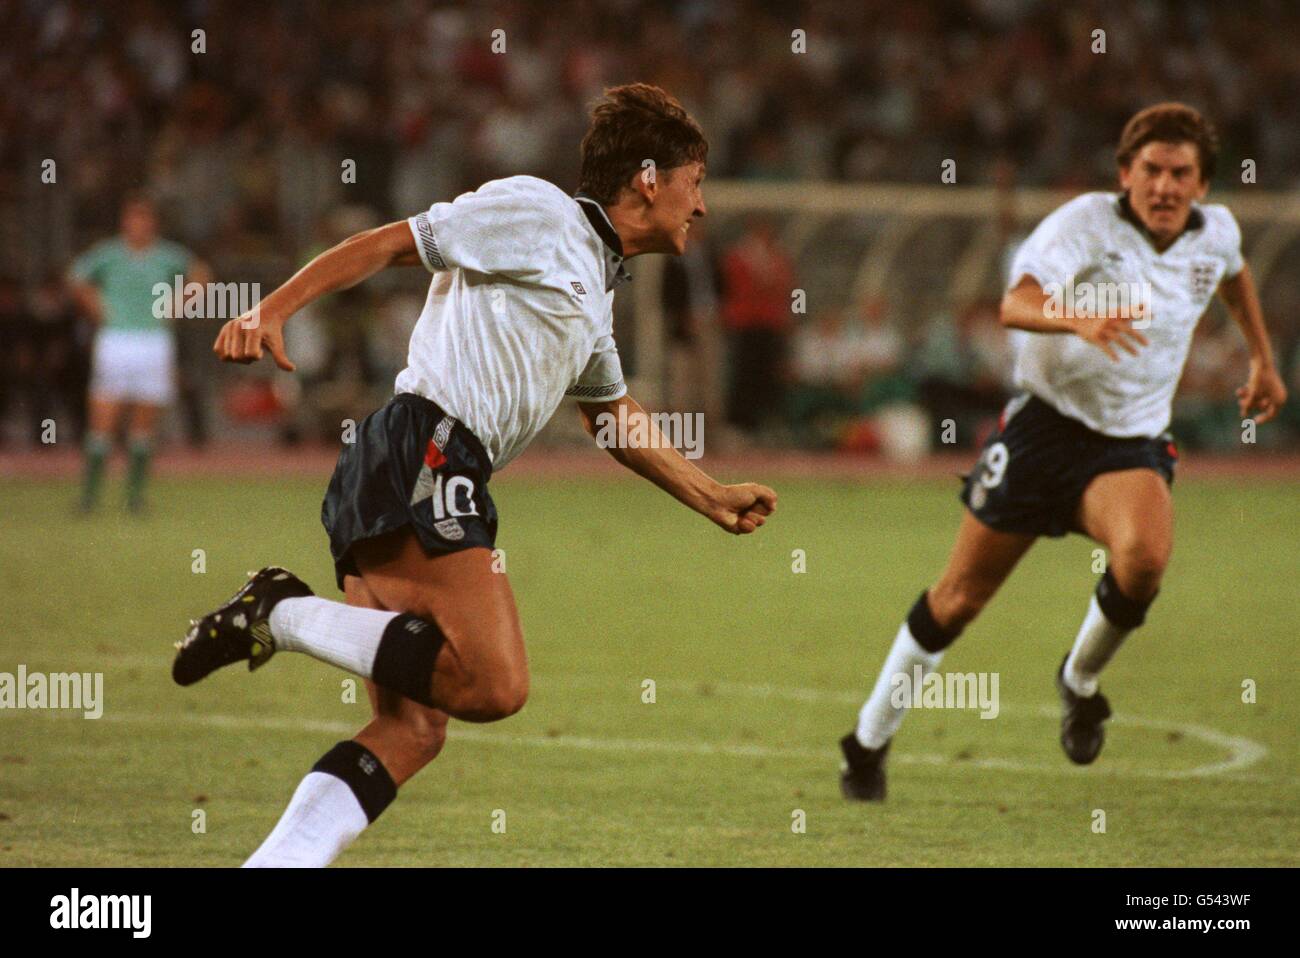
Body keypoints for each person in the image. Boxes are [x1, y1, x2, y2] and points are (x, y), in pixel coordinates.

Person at [172, 84, 777, 866]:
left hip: (423, 463)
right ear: (649, 179)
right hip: (426, 447)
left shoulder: (595, 282)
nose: (702, 206)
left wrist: (710, 494)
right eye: (696, 183)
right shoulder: (540, 212)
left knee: (413, 729)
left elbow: (610, 416)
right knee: (495, 685)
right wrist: (275, 308)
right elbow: (392, 243)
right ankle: (280, 613)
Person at [840, 103, 1287, 800]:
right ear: (1125, 173)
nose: (1165, 185)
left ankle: (1078, 682)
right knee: (958, 600)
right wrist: (1076, 318)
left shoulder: (1217, 232)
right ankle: (867, 741)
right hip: (1043, 432)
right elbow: (1015, 304)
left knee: (1144, 559)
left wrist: (1262, 358)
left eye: (1181, 173)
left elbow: (1233, 274)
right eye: (1152, 170)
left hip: (1129, 443)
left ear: (1202, 185)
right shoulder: (1083, 224)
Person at [68, 194, 209, 512]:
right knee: (103, 416)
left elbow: (201, 274)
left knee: (145, 420)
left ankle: (134, 497)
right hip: (116, 340)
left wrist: (178, 304)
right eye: (133, 218)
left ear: (153, 223)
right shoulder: (108, 254)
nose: (138, 225)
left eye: (144, 218)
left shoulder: (167, 254)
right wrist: (96, 307)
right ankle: (89, 496)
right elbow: (76, 278)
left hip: (154, 340)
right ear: (124, 222)